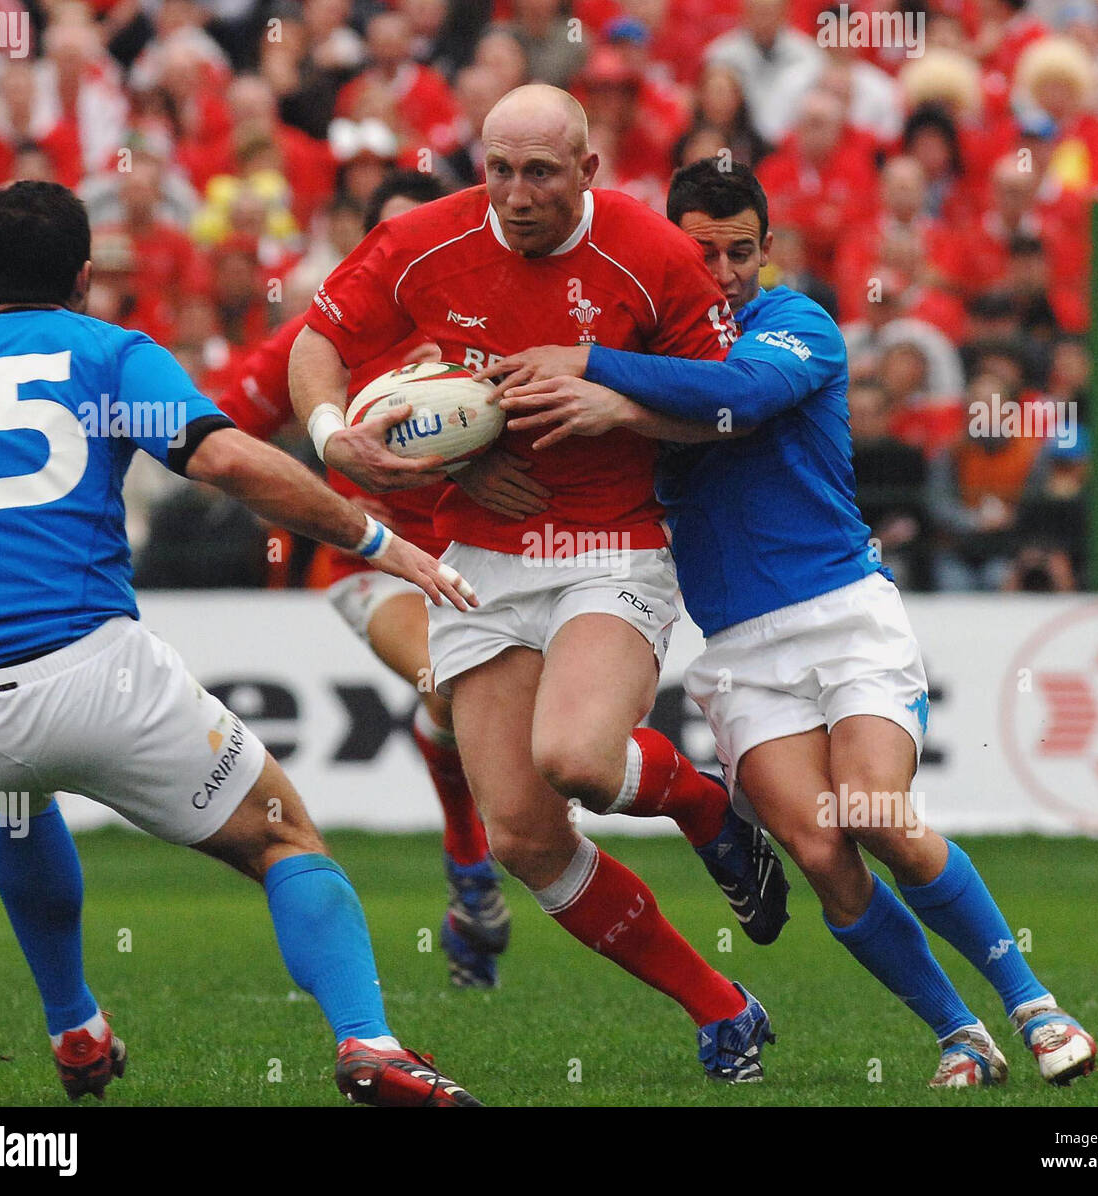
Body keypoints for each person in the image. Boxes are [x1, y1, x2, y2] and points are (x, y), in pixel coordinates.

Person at [486, 158, 1098, 1088]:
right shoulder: (653, 348)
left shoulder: (796, 325)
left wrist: (596, 375)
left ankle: (1035, 1007)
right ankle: (959, 1033)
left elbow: (742, 398)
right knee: (818, 850)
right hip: (738, 651)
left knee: (874, 814)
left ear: (766, 250)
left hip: (842, 615)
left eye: (742, 251)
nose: (725, 270)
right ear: (669, 250)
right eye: (702, 252)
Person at [0, 181, 481, 1108]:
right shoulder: (109, 352)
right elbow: (223, 459)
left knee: (13, 801)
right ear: (86, 275)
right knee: (284, 837)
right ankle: (369, 1043)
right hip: (91, 672)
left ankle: (74, 1026)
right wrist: (376, 538)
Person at [290, 84, 789, 1083]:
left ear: (589, 171)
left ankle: (699, 802)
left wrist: (616, 403)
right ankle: (723, 1005)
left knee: (573, 755)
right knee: (520, 832)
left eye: (540, 172)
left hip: (614, 544)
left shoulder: (652, 255)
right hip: (481, 558)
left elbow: (728, 410)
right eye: (498, 168)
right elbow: (318, 343)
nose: (514, 194)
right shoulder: (425, 239)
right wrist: (335, 433)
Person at [218, 169, 514, 989]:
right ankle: (471, 869)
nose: (408, 252)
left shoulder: (488, 308)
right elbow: (214, 426)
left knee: (501, 716)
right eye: (391, 236)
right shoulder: (328, 331)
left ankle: (477, 888)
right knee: (444, 679)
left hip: (484, 552)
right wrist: (316, 487)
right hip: (372, 562)